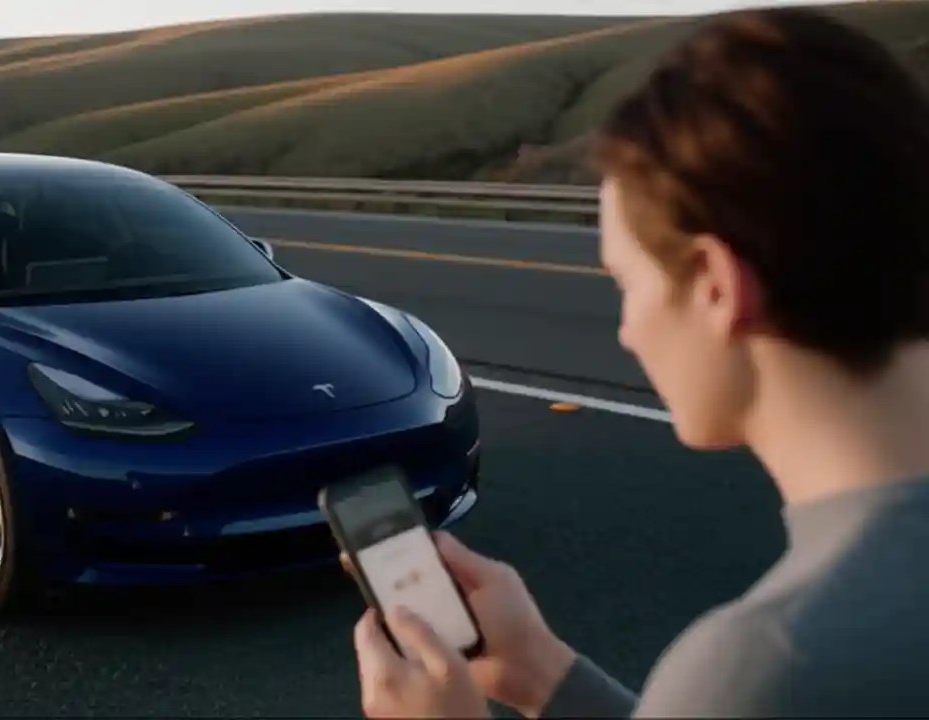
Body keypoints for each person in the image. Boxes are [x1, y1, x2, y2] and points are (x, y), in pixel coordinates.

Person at [349, 6, 929, 718]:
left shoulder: (772, 663)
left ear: (718, 286)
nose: (627, 331)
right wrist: (542, 675)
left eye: (625, 282)